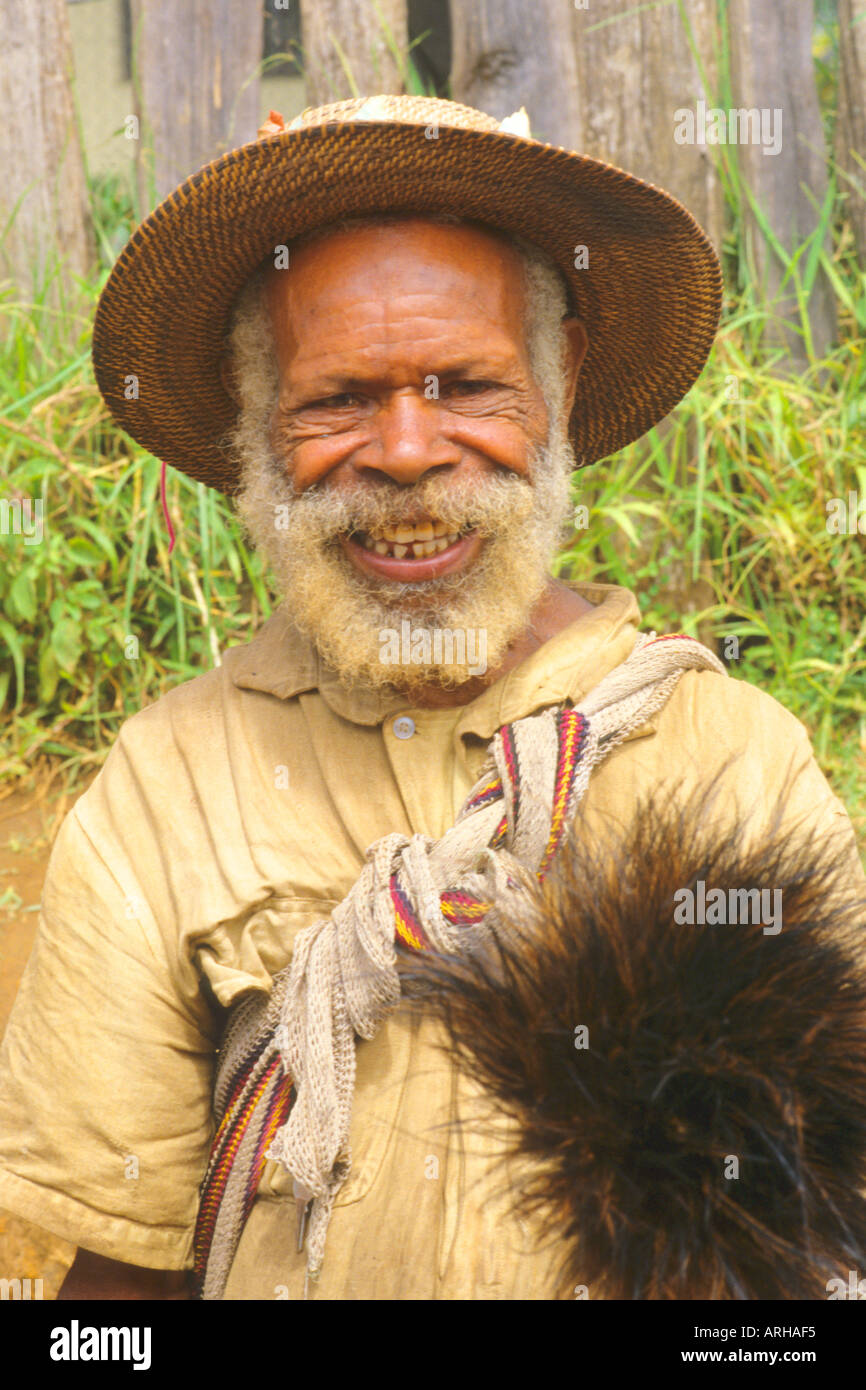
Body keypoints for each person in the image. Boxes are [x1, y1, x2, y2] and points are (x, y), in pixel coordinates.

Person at [0, 95, 862, 1301]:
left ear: (557, 388)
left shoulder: (728, 758)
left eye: (463, 384)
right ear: (258, 428)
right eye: (338, 398)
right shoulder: (167, 788)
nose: (405, 451)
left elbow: (824, 1233)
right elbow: (118, 1291)